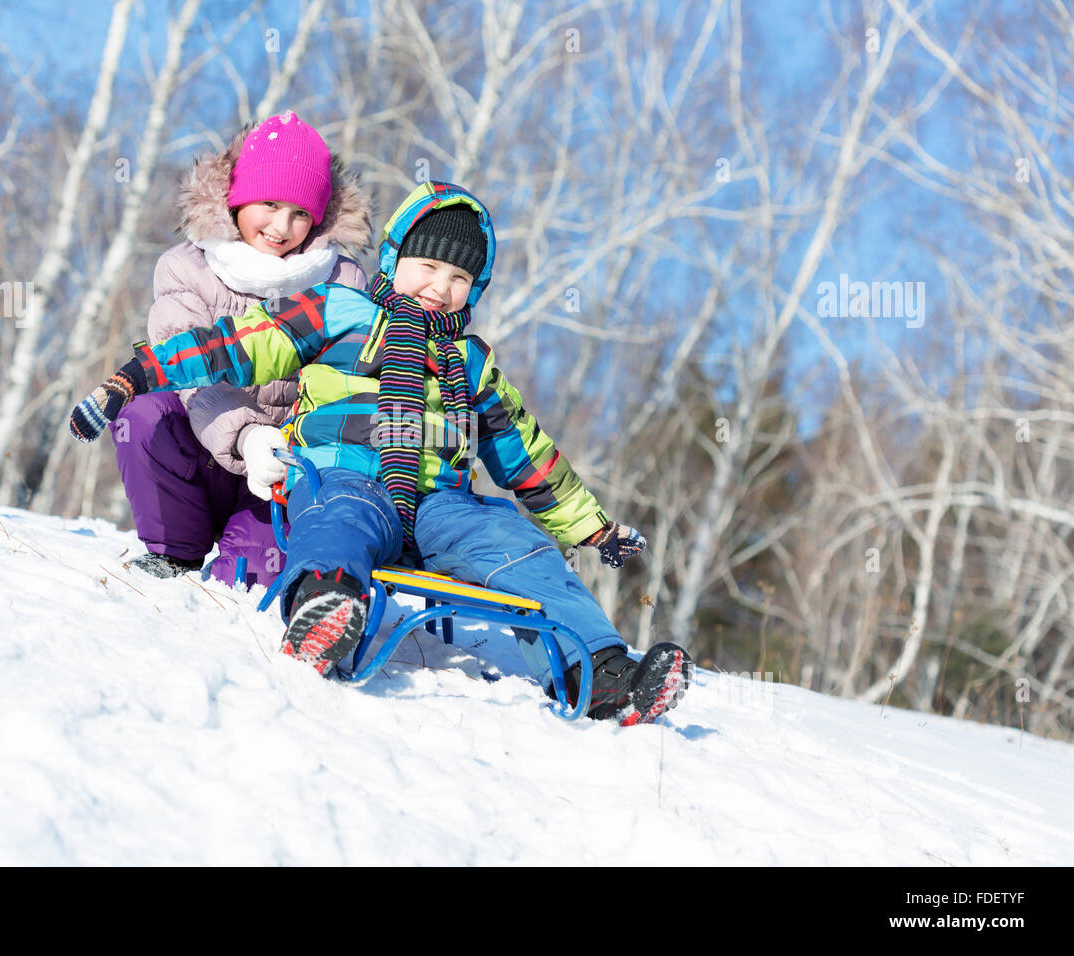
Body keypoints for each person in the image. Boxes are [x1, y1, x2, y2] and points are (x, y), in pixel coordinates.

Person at [71, 181, 690, 726]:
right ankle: (324, 606)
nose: (441, 288)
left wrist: (594, 527)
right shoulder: (341, 312)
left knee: (512, 538)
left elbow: (523, 453)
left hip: (439, 504)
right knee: (341, 514)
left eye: (459, 279)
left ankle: (602, 670)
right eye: (428, 268)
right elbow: (237, 345)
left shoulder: (470, 362)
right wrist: (134, 375)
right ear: (394, 262)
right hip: (345, 473)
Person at [113, 111, 370, 586]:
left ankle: (253, 551)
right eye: (269, 203)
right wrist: (247, 436)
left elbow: (344, 385)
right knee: (144, 417)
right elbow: (182, 366)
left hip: (283, 471)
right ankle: (176, 550)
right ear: (236, 199)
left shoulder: (342, 281)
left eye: (300, 213)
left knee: (249, 580)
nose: (281, 226)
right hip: (206, 448)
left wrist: (289, 449)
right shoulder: (186, 268)